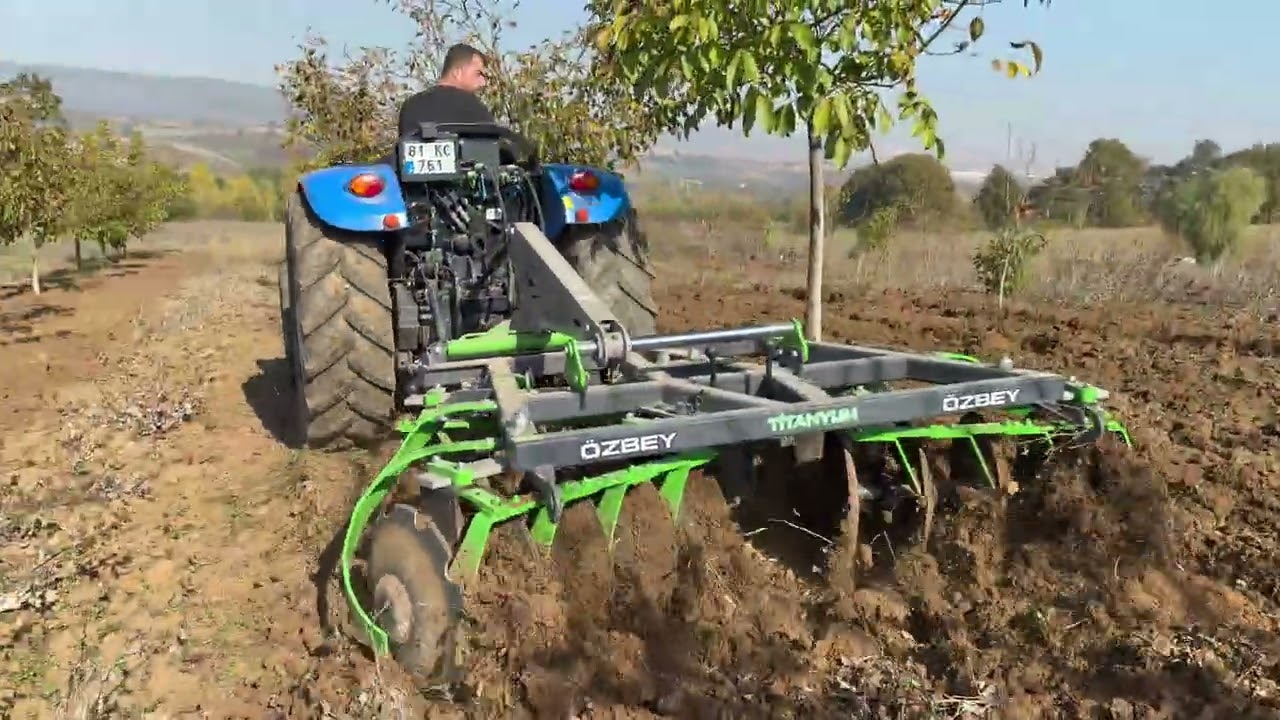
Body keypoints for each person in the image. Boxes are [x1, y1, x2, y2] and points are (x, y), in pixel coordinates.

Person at [397, 43, 496, 138]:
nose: (483, 82)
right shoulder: (476, 109)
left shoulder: (411, 106)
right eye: (478, 74)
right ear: (457, 73)